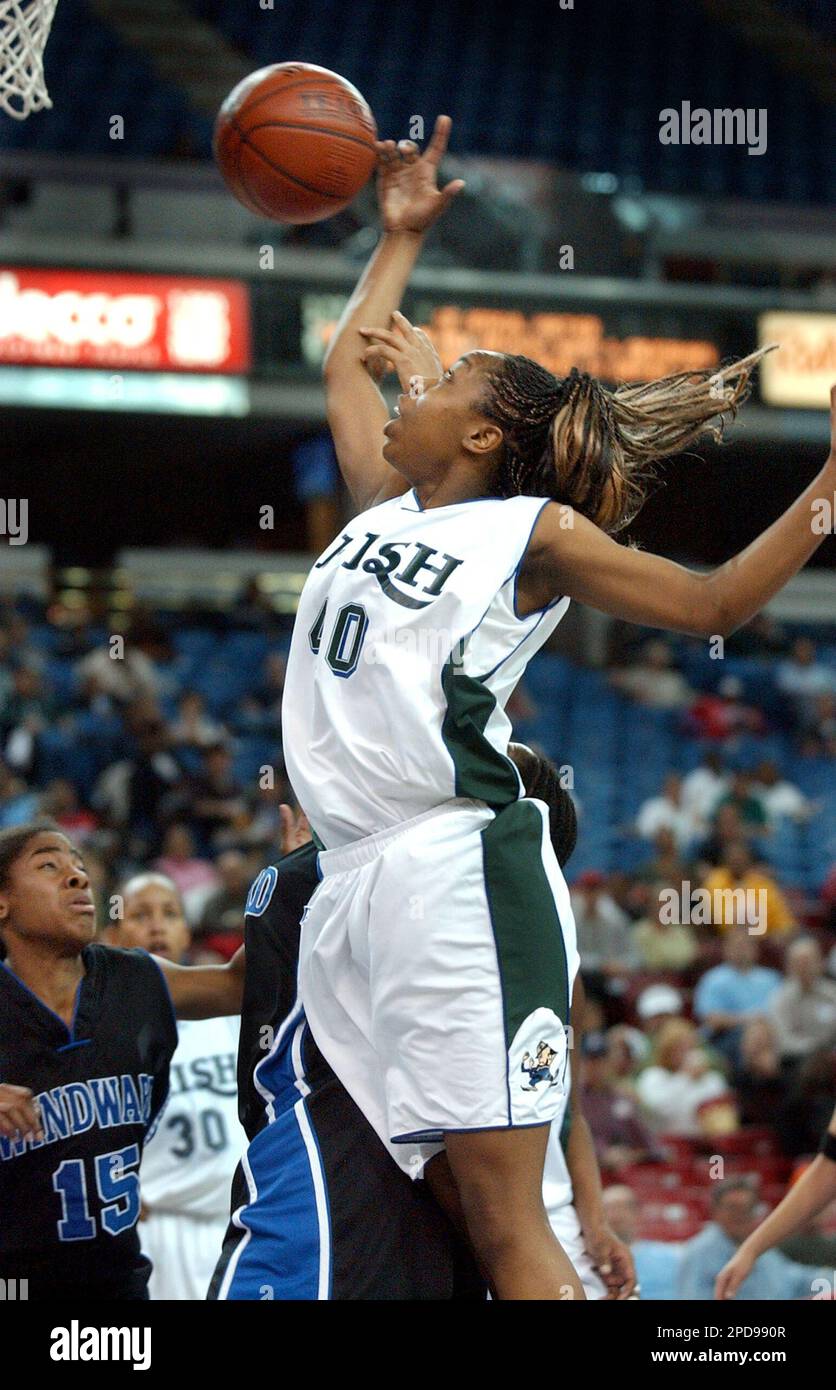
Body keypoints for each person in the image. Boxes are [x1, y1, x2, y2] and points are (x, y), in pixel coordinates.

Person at [281, 115, 836, 1299]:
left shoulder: (529, 532)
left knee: (501, 1217)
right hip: (352, 879)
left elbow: (712, 603)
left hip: (452, 866)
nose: (402, 384)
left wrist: (830, 490)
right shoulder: (387, 505)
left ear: (480, 431)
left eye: (440, 388)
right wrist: (399, 237)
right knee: (426, 1210)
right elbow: (344, 364)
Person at [211, 755, 636, 1301]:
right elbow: (567, 1111)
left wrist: (328, 871)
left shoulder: (449, 938)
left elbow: (434, 1141)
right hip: (516, 1231)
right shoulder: (542, 944)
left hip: (502, 1230)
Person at [0, 822, 243, 1300]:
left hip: (120, 1281)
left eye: (79, 866)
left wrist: (302, 876)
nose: (77, 877)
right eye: (49, 865)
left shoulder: (133, 980)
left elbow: (238, 984)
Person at [105, 872, 244, 1301]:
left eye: (170, 914)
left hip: (240, 1220)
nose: (156, 926)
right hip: (160, 1227)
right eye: (140, 915)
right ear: (112, 936)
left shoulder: (230, 1016)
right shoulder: (106, 1031)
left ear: (187, 930)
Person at [678, 1177, 827, 1300]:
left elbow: (798, 1279)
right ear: (715, 1211)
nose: (741, 1214)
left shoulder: (761, 1249)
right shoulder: (700, 1253)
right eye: (732, 1207)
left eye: (748, 1207)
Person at [693, 927, 782, 1068]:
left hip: (770, 1036)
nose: (742, 950)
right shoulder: (713, 979)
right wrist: (749, 1020)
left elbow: (782, 1013)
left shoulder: (771, 978)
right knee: (754, 1040)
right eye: (737, 945)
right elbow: (712, 1019)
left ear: (755, 949)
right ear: (726, 949)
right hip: (726, 1037)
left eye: (746, 945)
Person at [635, 1019, 728, 1136]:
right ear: (666, 1051)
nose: (686, 1053)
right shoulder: (653, 1076)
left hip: (707, 1140)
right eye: (679, 1049)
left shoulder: (712, 1078)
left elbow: (721, 1109)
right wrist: (685, 1078)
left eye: (690, 1047)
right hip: (672, 1141)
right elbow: (659, 1110)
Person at [602, 1184, 682, 1301]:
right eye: (608, 1209)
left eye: (622, 1207)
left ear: (637, 1213)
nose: (615, 1215)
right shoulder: (590, 1261)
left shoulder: (670, 1257)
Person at [767, 936, 836, 1063]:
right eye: (798, 963)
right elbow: (783, 1041)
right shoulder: (780, 998)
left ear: (821, 963)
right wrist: (817, 1049)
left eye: (809, 962)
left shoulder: (832, 994)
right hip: (797, 1061)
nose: (804, 968)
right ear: (788, 967)